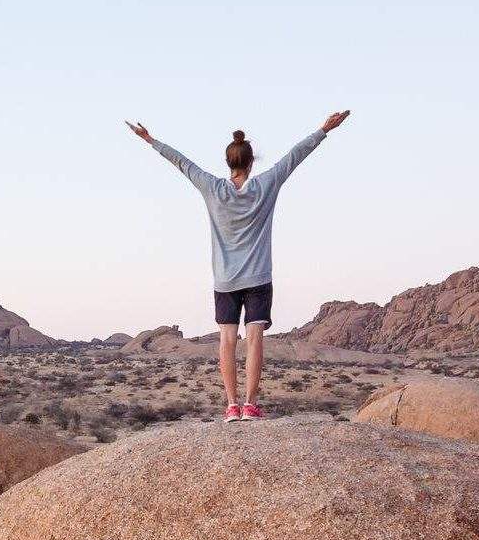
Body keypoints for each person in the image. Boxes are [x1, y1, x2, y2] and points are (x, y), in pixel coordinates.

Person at [129, 110, 349, 420]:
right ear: (250, 161)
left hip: (225, 280)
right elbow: (294, 157)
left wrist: (151, 140)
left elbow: (182, 163)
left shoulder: (212, 188)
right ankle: (250, 405)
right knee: (255, 340)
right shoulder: (265, 185)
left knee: (227, 340)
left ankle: (232, 405)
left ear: (229, 162)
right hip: (258, 277)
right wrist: (324, 129)